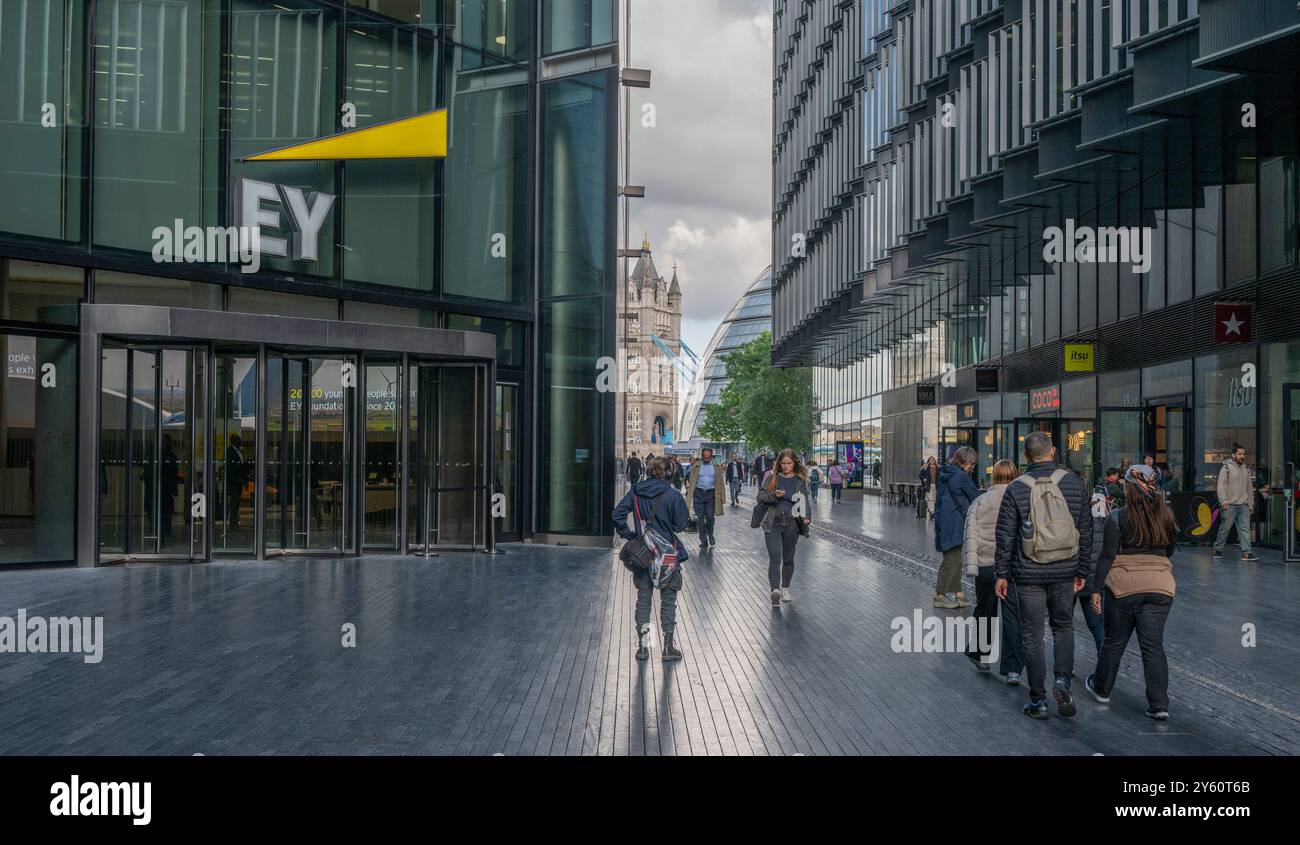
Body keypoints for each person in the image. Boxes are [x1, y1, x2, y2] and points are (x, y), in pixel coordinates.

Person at [994, 431, 1093, 719]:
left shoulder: (1016, 488)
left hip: (1028, 572)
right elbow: (1086, 530)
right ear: (1053, 451)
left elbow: (1005, 536)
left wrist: (1002, 573)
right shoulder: (1074, 484)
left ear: (1026, 456)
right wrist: (1082, 570)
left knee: (1032, 634)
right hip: (1065, 569)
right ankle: (1062, 680)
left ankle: (1038, 700)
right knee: (1063, 627)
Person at [1085, 464, 1179, 720]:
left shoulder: (1117, 517)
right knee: (1153, 647)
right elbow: (1170, 550)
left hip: (1123, 587)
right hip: (1160, 587)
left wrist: (1095, 590)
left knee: (1114, 642)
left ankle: (1102, 689)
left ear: (1129, 488)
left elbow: (1106, 556)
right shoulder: (1166, 515)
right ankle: (1159, 705)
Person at [611, 456, 690, 662]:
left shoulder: (636, 492)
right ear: (669, 473)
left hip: (643, 554)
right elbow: (680, 525)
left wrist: (629, 535)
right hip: (667, 555)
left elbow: (617, 514)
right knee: (668, 600)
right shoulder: (673, 495)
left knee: (644, 600)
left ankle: (644, 648)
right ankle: (667, 648)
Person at [962, 459, 1018, 671]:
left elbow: (970, 535)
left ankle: (981, 655)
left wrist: (971, 566)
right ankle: (1012, 668)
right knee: (1014, 616)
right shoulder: (1020, 499)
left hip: (986, 565)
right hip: (1013, 565)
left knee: (985, 610)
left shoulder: (980, 501)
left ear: (993, 475)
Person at [757, 449, 811, 606]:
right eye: (783, 463)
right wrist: (775, 496)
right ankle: (775, 590)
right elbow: (760, 497)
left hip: (791, 524)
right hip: (772, 523)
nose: (786, 466)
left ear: (794, 463)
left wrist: (807, 517)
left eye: (789, 463)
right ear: (779, 464)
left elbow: (804, 500)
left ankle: (785, 588)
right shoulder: (772, 478)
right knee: (775, 558)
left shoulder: (799, 480)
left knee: (788, 559)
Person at [934, 447, 980, 610]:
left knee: (955, 558)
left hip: (944, 520)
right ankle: (940, 595)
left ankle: (958, 593)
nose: (972, 468)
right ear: (966, 462)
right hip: (955, 522)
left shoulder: (947, 473)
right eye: (971, 464)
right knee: (952, 560)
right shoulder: (961, 477)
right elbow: (976, 497)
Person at [1214, 444, 1259, 561]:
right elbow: (1221, 485)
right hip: (1229, 504)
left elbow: (1249, 487)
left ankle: (1246, 552)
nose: (1242, 456)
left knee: (1245, 529)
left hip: (1243, 504)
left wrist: (1250, 503)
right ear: (1234, 455)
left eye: (1243, 454)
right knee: (1225, 528)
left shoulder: (1246, 469)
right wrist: (1223, 501)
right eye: (1239, 454)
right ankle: (1218, 548)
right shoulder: (1226, 468)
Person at [685, 448, 725, 549]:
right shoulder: (696, 466)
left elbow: (721, 483)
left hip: (711, 495)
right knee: (700, 519)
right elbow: (691, 480)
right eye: (705, 456)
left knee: (710, 517)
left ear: (711, 456)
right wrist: (688, 492)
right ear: (702, 456)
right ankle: (704, 540)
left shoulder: (716, 467)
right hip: (698, 494)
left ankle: (710, 534)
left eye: (709, 456)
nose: (706, 458)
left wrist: (723, 497)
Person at [224, 434, 247, 529]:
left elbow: (243, 466)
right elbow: (230, 468)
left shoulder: (240, 451)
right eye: (238, 440)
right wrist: (236, 478)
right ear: (233, 441)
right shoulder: (229, 451)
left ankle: (234, 522)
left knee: (236, 503)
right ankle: (233, 523)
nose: (240, 441)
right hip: (233, 481)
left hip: (239, 481)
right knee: (234, 502)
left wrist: (244, 479)